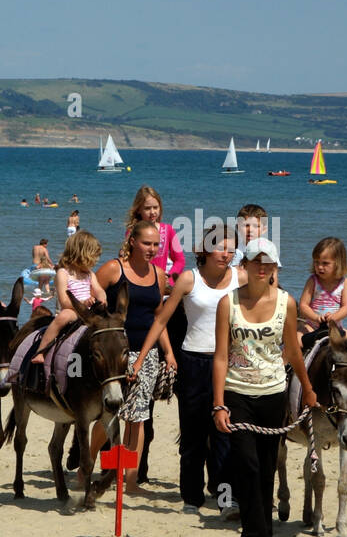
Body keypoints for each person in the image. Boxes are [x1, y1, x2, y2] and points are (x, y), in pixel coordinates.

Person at [213, 239, 317, 537]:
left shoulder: (287, 303)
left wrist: (309, 389)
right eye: (256, 262)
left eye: (268, 263)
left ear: (275, 268)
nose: (262, 268)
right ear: (244, 265)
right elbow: (220, 356)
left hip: (273, 394)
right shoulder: (227, 304)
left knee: (267, 466)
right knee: (247, 464)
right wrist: (218, 403)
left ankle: (259, 534)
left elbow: (293, 350)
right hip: (237, 394)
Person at [133, 223, 239, 513]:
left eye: (231, 248)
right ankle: (191, 498)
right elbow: (160, 320)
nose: (226, 254)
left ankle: (225, 498)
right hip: (193, 363)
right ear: (205, 248)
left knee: (224, 434)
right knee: (192, 435)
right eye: (220, 247)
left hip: (229, 364)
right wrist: (142, 358)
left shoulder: (240, 279)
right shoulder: (189, 279)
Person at [89, 220, 173, 497]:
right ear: (133, 242)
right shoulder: (115, 268)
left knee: (137, 418)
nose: (151, 249)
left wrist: (169, 352)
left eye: (156, 244)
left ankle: (131, 481)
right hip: (115, 356)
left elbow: (158, 318)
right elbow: (92, 294)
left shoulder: (159, 275)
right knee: (108, 415)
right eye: (146, 243)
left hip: (146, 354)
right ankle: (86, 466)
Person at [31, 231, 103, 366]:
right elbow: (64, 301)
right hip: (73, 310)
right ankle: (41, 350)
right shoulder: (63, 273)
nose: (94, 262)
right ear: (81, 254)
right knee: (63, 316)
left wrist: (102, 298)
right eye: (93, 258)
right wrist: (82, 303)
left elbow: (98, 289)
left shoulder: (89, 274)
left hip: (89, 310)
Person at [125, 186, 185, 283]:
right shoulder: (132, 231)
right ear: (138, 209)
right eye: (147, 208)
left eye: (155, 207)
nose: (152, 212)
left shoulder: (168, 230)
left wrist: (169, 277)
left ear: (160, 207)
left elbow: (180, 260)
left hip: (161, 282)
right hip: (138, 280)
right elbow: (127, 258)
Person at [232, 204, 268, 269]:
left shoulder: (268, 249)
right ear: (238, 227)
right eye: (246, 225)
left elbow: (274, 274)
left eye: (256, 226)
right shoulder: (233, 249)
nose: (250, 230)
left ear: (264, 229)